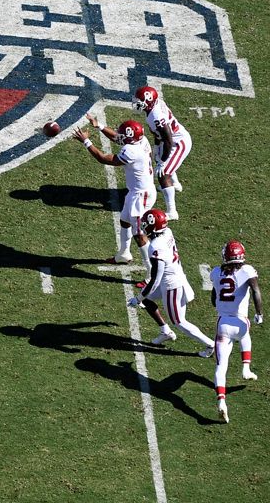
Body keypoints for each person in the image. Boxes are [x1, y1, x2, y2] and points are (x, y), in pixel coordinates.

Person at [128, 209, 215, 355]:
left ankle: (211, 345)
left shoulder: (156, 247)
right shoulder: (167, 232)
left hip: (172, 285)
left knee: (179, 322)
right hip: (172, 276)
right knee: (148, 300)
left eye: (146, 223)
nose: (143, 225)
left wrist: (138, 298)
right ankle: (165, 331)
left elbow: (155, 279)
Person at [74, 116, 157, 263]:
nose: (120, 136)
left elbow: (104, 158)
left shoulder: (131, 151)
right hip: (137, 192)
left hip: (141, 195)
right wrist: (99, 125)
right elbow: (118, 138)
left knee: (138, 234)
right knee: (125, 220)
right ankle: (124, 254)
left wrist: (86, 141)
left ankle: (151, 271)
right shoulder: (142, 141)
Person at [209, 240, 264, 423]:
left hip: (223, 323)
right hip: (241, 323)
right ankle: (245, 368)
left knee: (220, 367)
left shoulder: (216, 272)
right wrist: (259, 313)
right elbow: (256, 291)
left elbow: (213, 297)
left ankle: (222, 402)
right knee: (245, 335)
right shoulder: (247, 271)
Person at [133, 86, 191, 220]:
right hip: (172, 139)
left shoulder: (156, 116)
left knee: (163, 173)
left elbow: (169, 139)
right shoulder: (155, 107)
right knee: (159, 159)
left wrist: (163, 161)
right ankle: (175, 184)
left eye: (140, 101)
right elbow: (159, 134)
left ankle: (172, 211)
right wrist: (157, 146)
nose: (137, 103)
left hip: (178, 142)